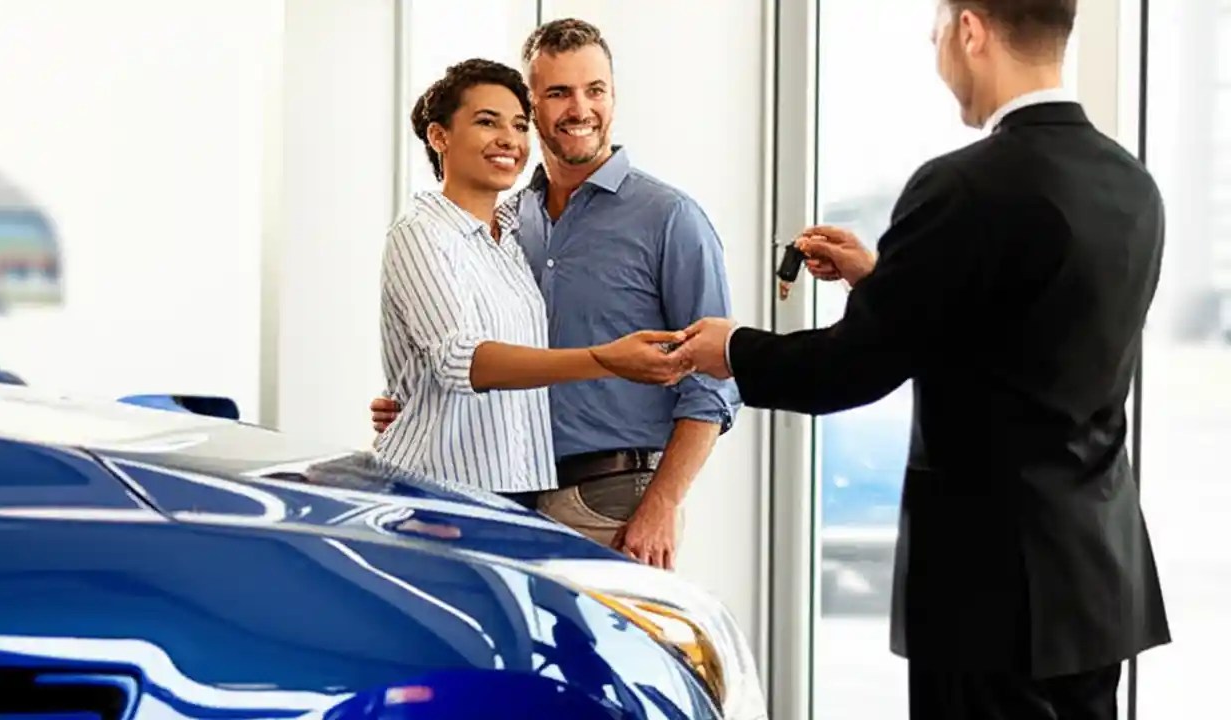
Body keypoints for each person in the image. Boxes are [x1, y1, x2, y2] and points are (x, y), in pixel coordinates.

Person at [681, 1, 1170, 718]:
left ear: (970, 31)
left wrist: (729, 348)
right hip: (1097, 585)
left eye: (937, 31)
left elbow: (850, 369)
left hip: (990, 595)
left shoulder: (964, 184)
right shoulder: (1133, 184)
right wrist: (884, 280)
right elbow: (1028, 334)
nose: (938, 53)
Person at [373, 19, 741, 569]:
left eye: (595, 90)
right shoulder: (508, 220)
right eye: (558, 93)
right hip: (511, 497)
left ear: (614, 97)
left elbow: (714, 382)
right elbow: (461, 348)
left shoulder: (669, 217)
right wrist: (415, 402)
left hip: (614, 499)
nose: (580, 109)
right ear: (534, 107)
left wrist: (662, 504)